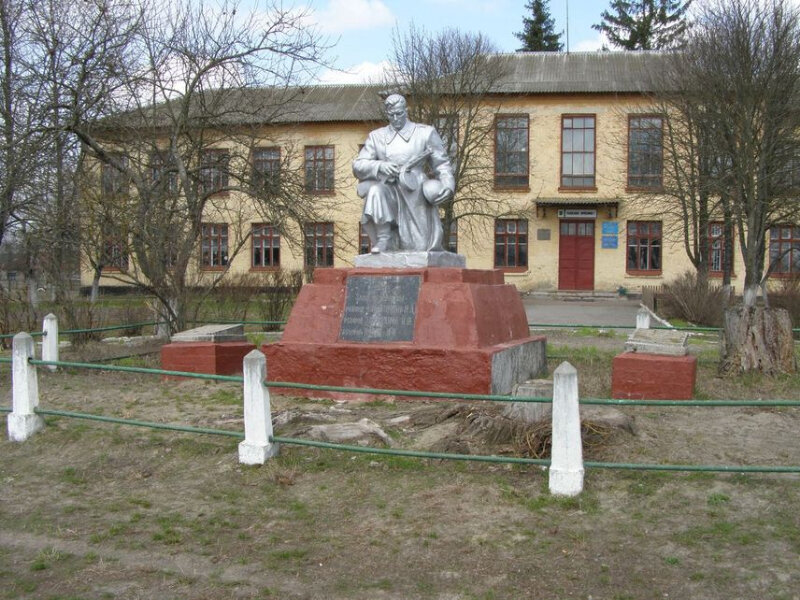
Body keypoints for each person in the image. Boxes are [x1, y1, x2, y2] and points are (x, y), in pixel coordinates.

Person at [353, 94, 455, 253]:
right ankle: (384, 238)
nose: (396, 118)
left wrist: (448, 186)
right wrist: (380, 166)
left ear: (406, 111)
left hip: (415, 189)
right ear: (387, 114)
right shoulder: (376, 136)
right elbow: (358, 166)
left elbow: (441, 164)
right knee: (375, 191)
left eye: (399, 113)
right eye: (391, 115)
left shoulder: (425, 133)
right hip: (389, 188)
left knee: (419, 248)